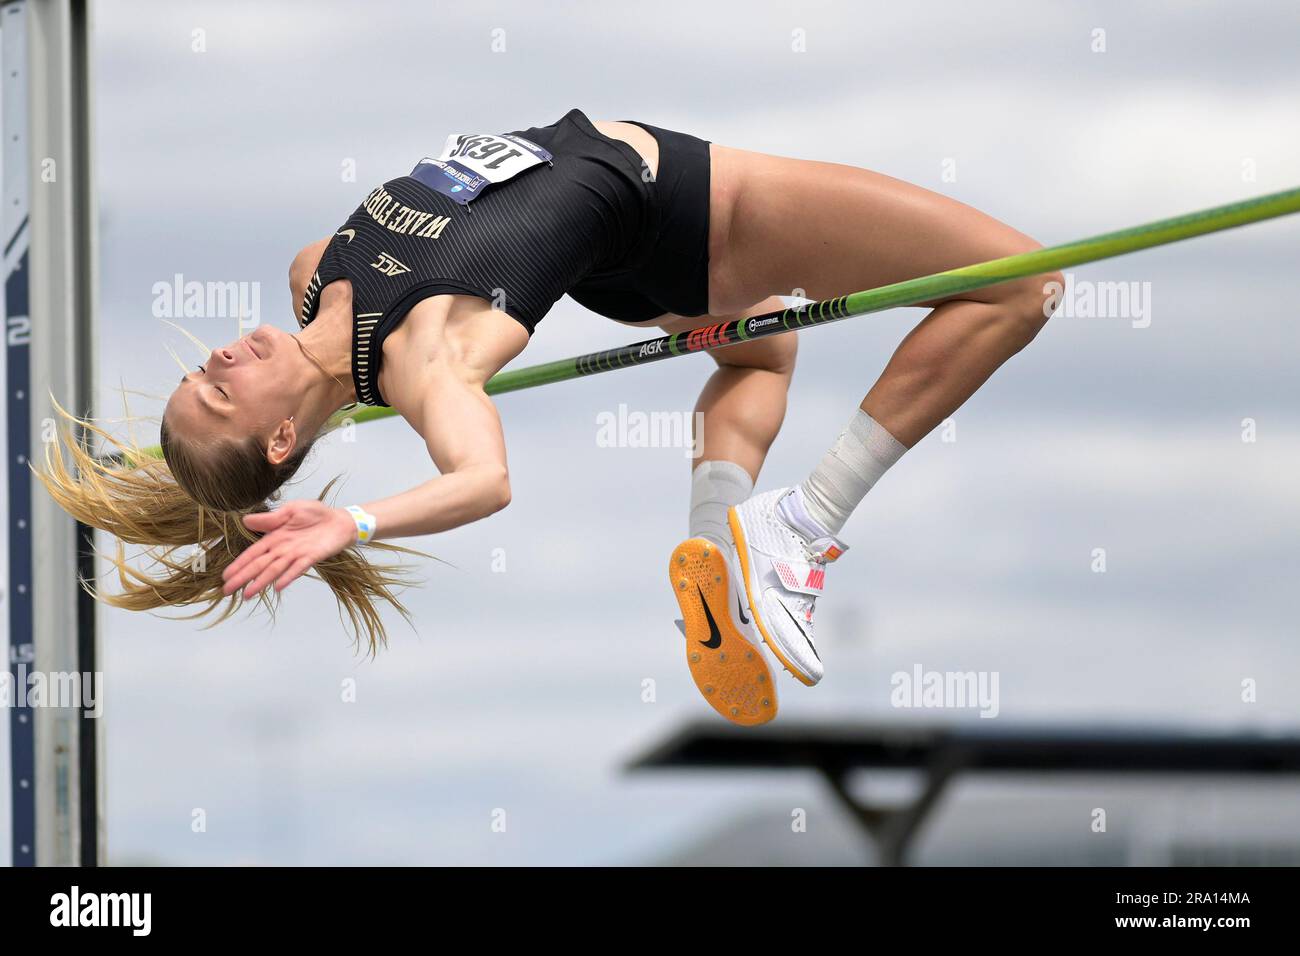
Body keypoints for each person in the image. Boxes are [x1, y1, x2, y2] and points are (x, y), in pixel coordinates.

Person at [39, 108, 1060, 725]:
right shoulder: (427, 361)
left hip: (606, 262)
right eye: (218, 389)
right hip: (691, 211)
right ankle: (801, 526)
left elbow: (455, 236)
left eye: (199, 370)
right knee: (1021, 285)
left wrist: (315, 410)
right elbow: (486, 478)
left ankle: (717, 553)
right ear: (276, 442)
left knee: (762, 349)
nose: (218, 357)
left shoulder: (315, 280)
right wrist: (349, 522)